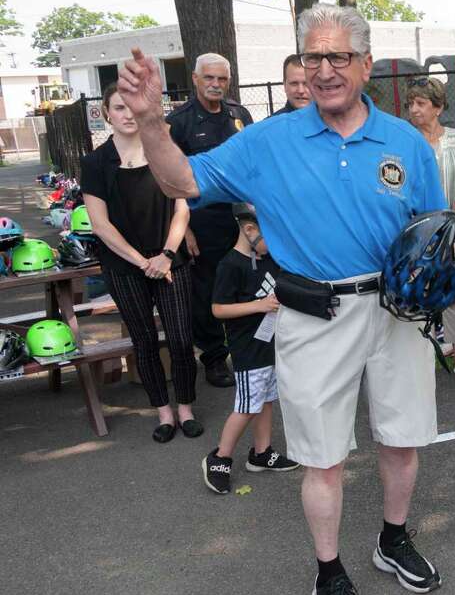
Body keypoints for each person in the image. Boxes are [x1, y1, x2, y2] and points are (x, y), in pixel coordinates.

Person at [119, 3, 455, 595]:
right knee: (323, 458)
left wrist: (447, 284)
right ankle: (329, 573)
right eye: (313, 57)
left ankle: (392, 539)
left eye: (338, 57)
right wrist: (150, 123)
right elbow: (182, 179)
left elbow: (433, 231)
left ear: (364, 64)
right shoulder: (267, 142)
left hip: (394, 314)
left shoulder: (405, 143)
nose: (324, 70)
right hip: (313, 313)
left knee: (402, 437)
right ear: (300, 67)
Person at [81, 84, 200, 444]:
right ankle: (163, 412)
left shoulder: (165, 153)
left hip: (170, 259)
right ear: (107, 113)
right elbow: (100, 225)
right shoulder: (96, 163)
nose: (128, 113)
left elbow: (182, 207)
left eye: (132, 106)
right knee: (144, 341)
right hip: (124, 267)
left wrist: (164, 256)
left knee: (180, 339)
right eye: (119, 107)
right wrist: (141, 262)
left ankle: (186, 408)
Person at [166, 52, 254, 389]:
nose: (216, 84)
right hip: (202, 220)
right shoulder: (179, 122)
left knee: (245, 281)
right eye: (209, 78)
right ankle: (214, 358)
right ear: (195, 78)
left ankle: (247, 349)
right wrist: (184, 227)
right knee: (208, 289)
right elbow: (168, 180)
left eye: (222, 78)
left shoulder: (239, 115)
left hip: (241, 215)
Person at [203, 203, 299, 494]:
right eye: (273, 236)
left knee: (266, 399)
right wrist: (258, 305)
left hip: (269, 345)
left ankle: (262, 452)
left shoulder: (269, 259)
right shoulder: (230, 265)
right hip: (247, 349)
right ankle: (220, 458)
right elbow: (218, 309)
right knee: (247, 406)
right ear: (249, 230)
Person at [404, 76, 455, 379]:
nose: (414, 110)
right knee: (416, 290)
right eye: (410, 104)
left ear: (438, 107)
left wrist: (454, 212)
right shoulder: (406, 140)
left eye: (421, 103)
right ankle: (415, 361)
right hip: (419, 228)